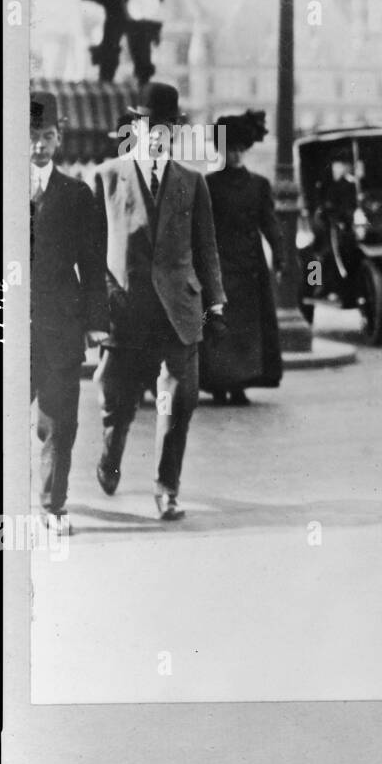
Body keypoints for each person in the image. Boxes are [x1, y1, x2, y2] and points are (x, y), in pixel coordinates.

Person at [92, 82, 227, 521]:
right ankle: (110, 458)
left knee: (180, 399)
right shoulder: (108, 176)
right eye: (150, 126)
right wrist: (96, 302)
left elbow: (206, 246)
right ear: (136, 126)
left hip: (178, 312)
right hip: (125, 308)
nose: (157, 135)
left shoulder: (192, 182)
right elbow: (91, 249)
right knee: (117, 398)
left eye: (167, 128)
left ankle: (166, 489)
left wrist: (216, 301)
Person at [29, 90, 109, 531]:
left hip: (61, 323)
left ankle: (53, 507)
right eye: (31, 136)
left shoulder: (77, 195)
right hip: (6, 325)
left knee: (60, 420)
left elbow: (93, 263)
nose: (38, 145)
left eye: (47, 136)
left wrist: (97, 323)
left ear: (59, 139)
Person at [200, 111, 282, 405]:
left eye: (238, 148)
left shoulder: (259, 185)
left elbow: (270, 222)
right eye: (228, 149)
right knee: (219, 327)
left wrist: (281, 256)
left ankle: (240, 384)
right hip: (219, 266)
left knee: (247, 329)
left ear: (246, 149)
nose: (233, 154)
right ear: (220, 150)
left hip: (250, 267)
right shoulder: (208, 184)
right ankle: (218, 385)